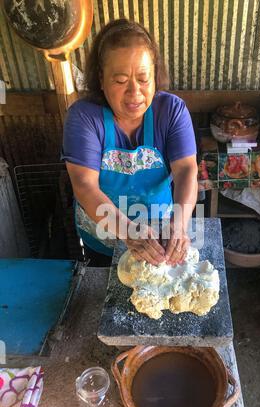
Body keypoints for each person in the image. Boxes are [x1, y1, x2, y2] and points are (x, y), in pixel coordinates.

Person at [62, 18, 198, 267]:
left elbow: (187, 169)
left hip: (160, 236)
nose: (135, 92)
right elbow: (84, 185)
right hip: (104, 238)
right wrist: (126, 230)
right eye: (121, 80)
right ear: (101, 79)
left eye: (144, 79)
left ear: (155, 76)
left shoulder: (172, 111)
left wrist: (178, 224)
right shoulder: (83, 117)